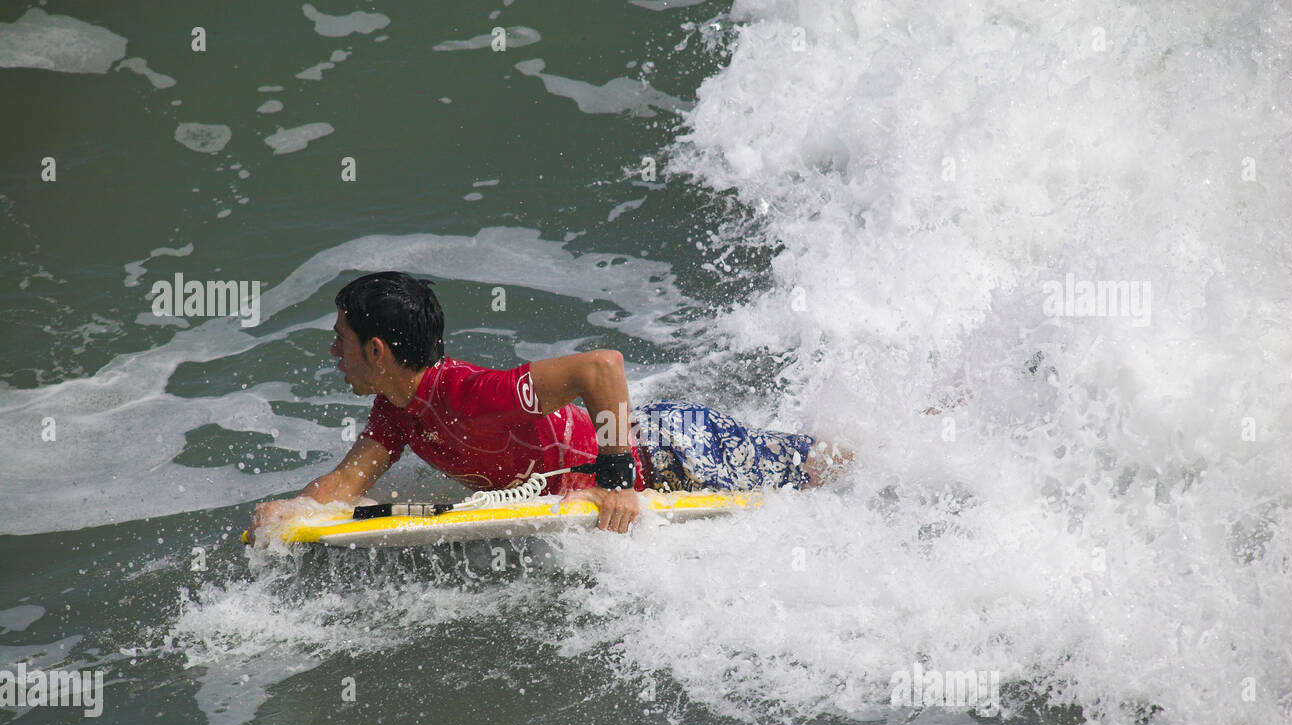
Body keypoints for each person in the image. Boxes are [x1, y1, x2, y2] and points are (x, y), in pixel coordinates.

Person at [248, 271, 851, 540]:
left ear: (377, 350)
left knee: (833, 471)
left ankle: (903, 450)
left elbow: (602, 369)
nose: (334, 352)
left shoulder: (469, 394)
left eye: (341, 340)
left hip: (673, 449)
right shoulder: (397, 410)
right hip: (640, 451)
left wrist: (617, 481)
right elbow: (351, 479)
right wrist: (295, 510)